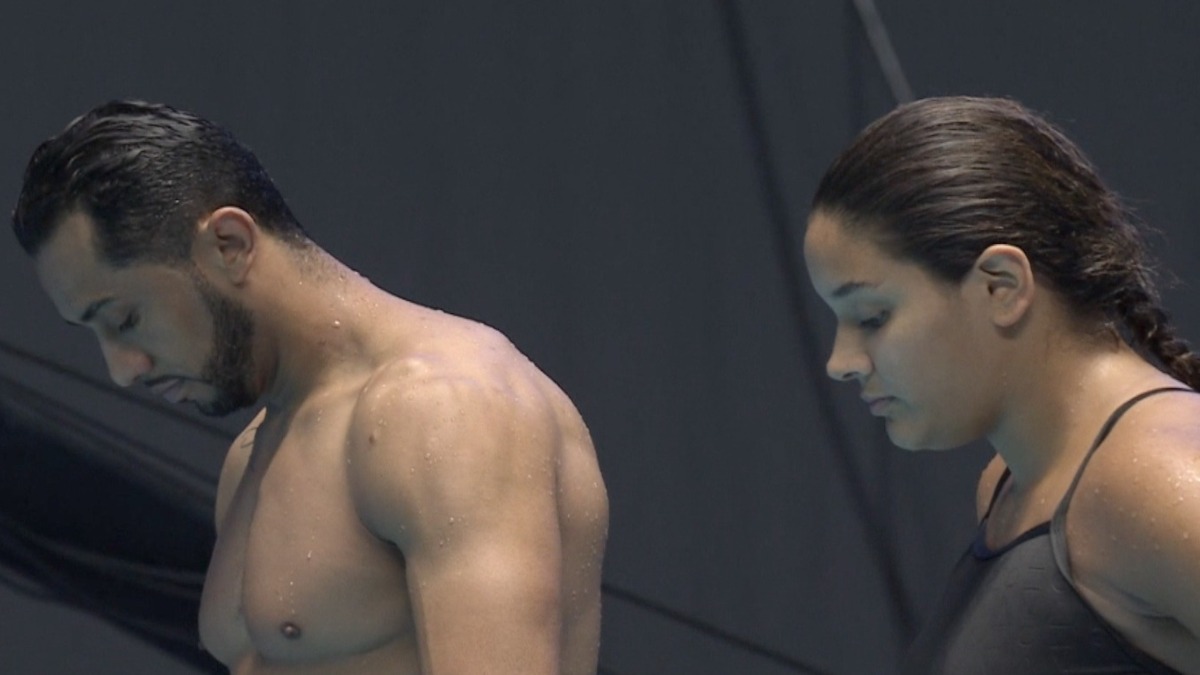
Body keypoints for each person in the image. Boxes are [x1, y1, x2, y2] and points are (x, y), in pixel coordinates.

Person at [12, 100, 609, 674]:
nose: (122, 369)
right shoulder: (252, 454)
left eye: (124, 320)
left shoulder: (447, 410)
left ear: (230, 244)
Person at [804, 96, 1200, 674]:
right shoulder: (1007, 487)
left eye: (871, 316)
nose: (840, 361)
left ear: (1001, 286)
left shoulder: (1154, 482)